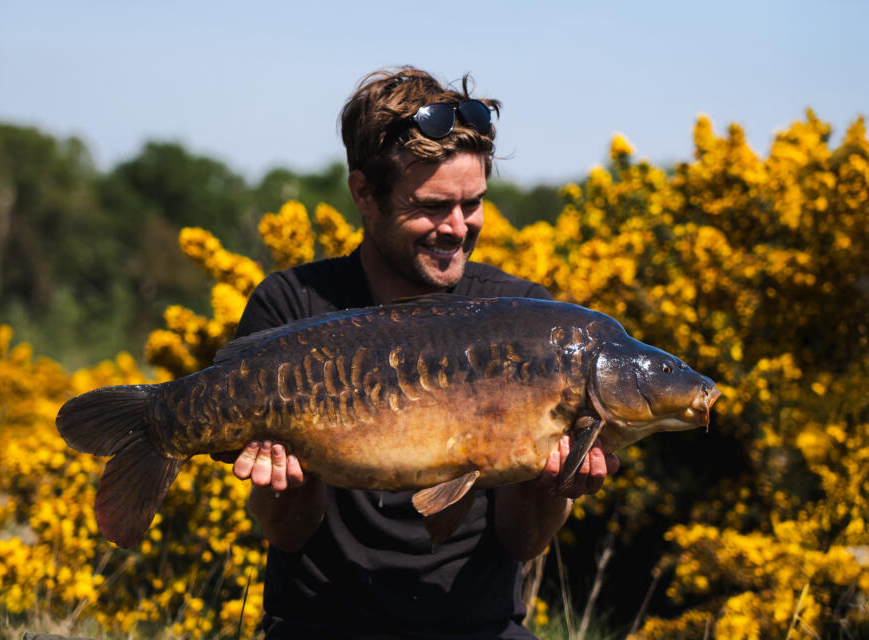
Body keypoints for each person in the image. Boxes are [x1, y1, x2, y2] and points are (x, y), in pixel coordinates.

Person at [219, 67, 619, 639]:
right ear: (364, 193)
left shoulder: (525, 315)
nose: (457, 228)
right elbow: (287, 535)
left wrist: (552, 485)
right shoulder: (294, 309)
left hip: (478, 627)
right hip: (319, 624)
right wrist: (288, 478)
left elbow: (523, 542)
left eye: (473, 203)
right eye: (433, 206)